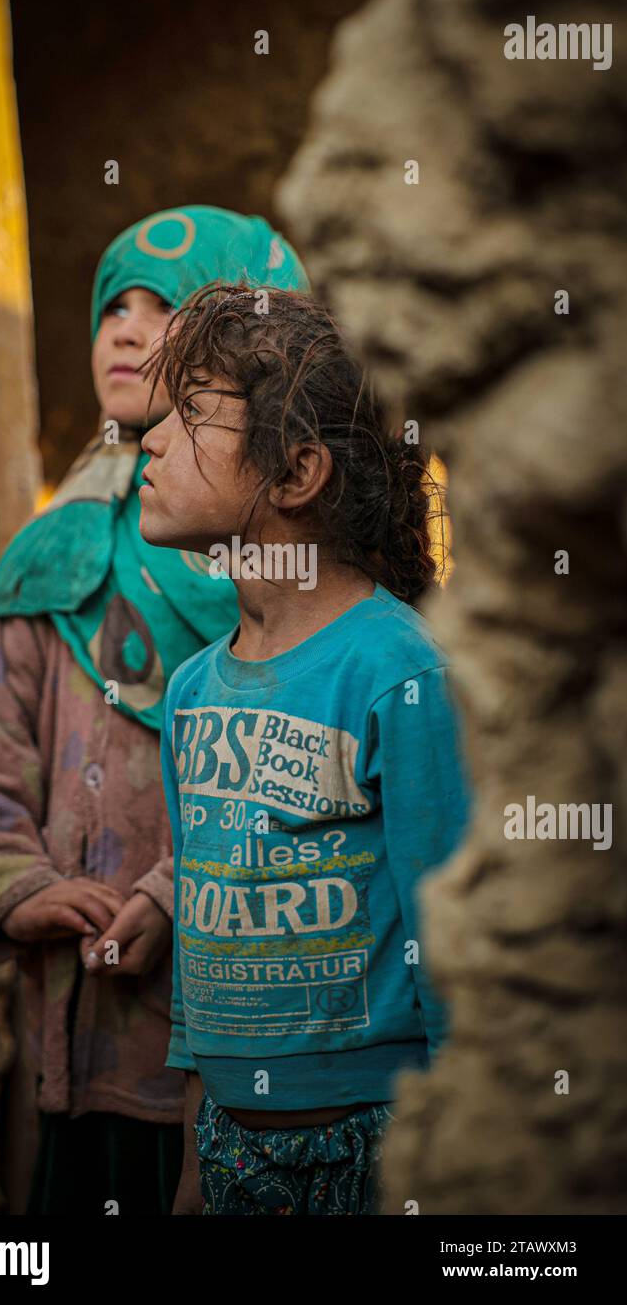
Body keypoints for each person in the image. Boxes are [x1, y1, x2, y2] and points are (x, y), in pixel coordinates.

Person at [0, 209, 309, 1216]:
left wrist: (183, 891)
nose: (128, 332)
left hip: (251, 1039)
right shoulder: (53, 554)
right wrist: (19, 885)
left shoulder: (295, 579)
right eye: (112, 307)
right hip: (82, 1028)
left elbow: (311, 774)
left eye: (167, 307)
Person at [138, 281, 473, 1215]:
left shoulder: (397, 668)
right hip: (230, 1143)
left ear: (294, 474)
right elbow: (200, 945)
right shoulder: (193, 691)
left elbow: (453, 945)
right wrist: (195, 1162)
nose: (150, 440)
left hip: (379, 1141)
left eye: (192, 414)